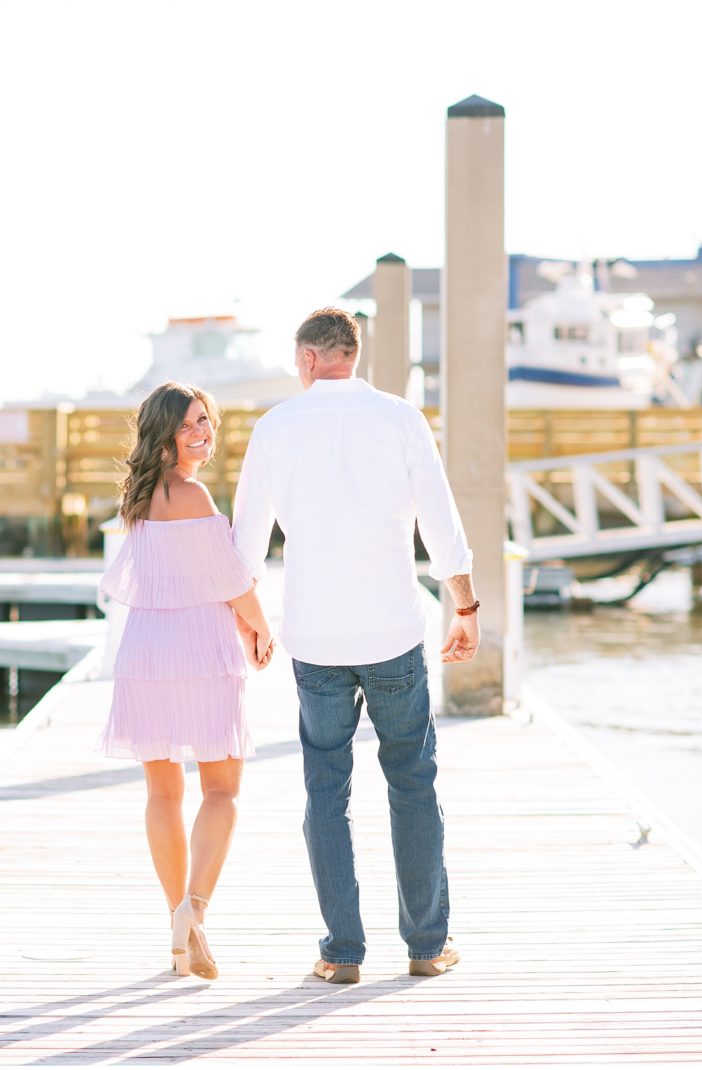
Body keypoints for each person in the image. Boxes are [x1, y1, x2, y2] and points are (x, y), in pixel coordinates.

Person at [232, 307, 480, 985]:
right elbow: (441, 520)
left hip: (315, 637)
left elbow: (246, 541)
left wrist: (252, 623)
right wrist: (464, 606)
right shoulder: (400, 418)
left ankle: (341, 954)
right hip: (393, 630)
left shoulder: (276, 426)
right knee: (413, 781)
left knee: (325, 789)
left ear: (310, 359)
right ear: (353, 354)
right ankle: (427, 946)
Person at [97, 381, 275, 981]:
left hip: (145, 653)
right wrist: (262, 629)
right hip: (200, 652)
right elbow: (232, 582)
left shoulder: (138, 497)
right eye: (189, 424)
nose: (203, 432)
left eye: (206, 421)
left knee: (162, 794)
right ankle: (194, 911)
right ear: (165, 433)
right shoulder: (193, 494)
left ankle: (176, 927)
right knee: (222, 790)